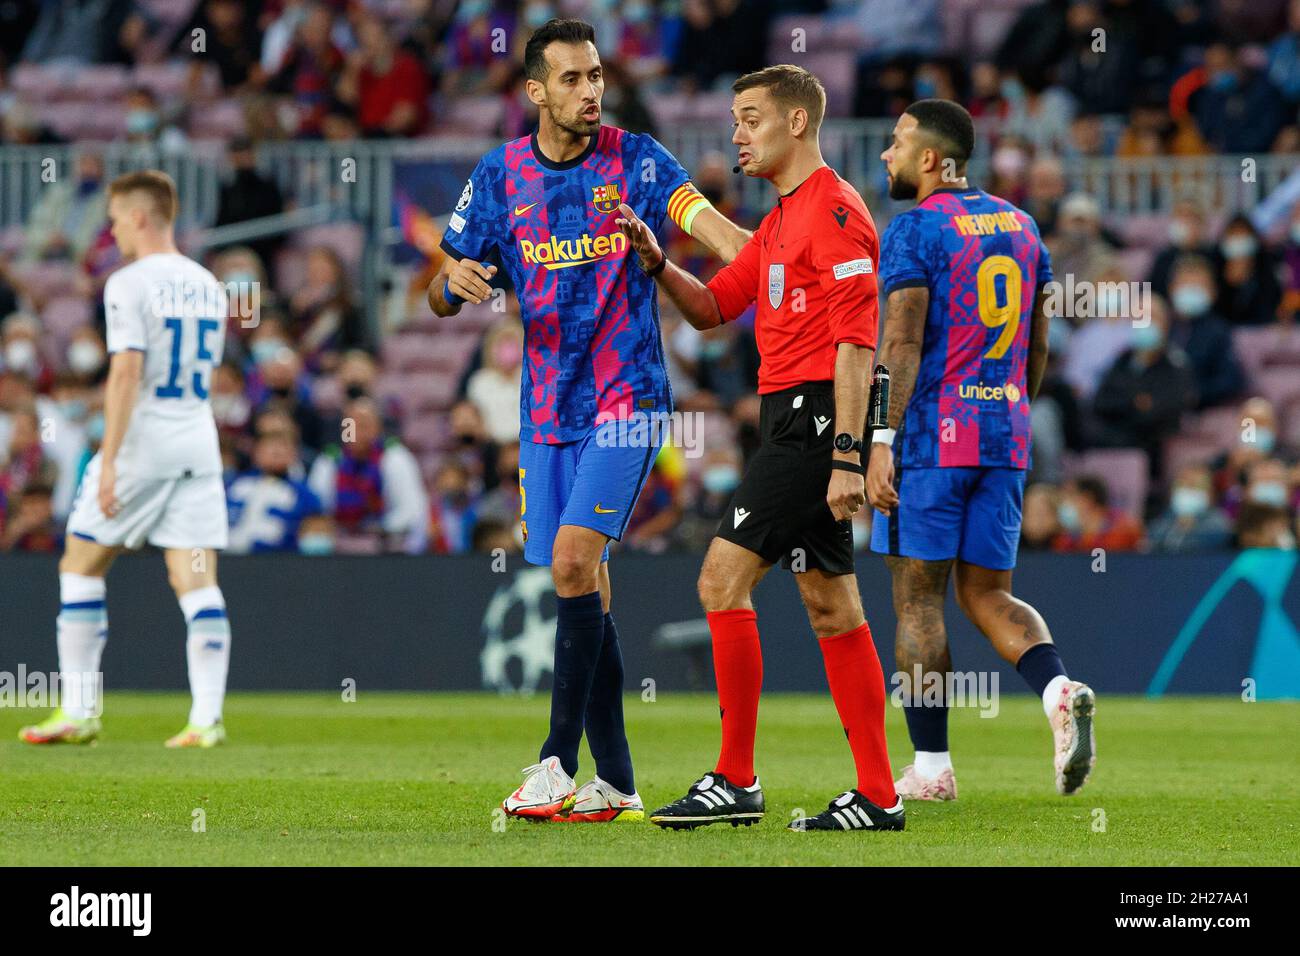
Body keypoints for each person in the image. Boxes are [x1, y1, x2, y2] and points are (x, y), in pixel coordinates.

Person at [428, 18, 749, 825]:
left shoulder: (638, 160)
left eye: (596, 75)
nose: (590, 91)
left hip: (628, 398)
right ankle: (619, 783)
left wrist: (773, 258)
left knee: (574, 561)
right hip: (546, 410)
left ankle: (555, 764)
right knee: (582, 583)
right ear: (536, 90)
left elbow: (712, 229)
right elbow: (441, 286)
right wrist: (451, 284)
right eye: (571, 78)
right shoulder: (501, 174)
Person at [620, 65, 903, 833]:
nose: (737, 134)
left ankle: (736, 779)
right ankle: (878, 795)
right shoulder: (780, 220)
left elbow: (857, 345)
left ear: (797, 122)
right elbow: (715, 306)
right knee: (831, 605)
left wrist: (847, 454)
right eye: (736, 119)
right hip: (790, 420)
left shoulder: (836, 211)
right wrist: (659, 262)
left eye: (751, 118)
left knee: (721, 581)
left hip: (814, 421)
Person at [866, 99, 1097, 802]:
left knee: (918, 601)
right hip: (1004, 434)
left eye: (897, 142)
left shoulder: (913, 229)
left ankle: (931, 768)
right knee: (988, 593)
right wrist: (1007, 414)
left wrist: (880, 438)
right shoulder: (1023, 226)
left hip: (932, 439)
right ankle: (1058, 691)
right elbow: (1037, 346)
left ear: (931, 159)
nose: (887, 154)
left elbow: (900, 342)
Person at [19, 171, 233, 749]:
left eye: (114, 220)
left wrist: (109, 459)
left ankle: (78, 710)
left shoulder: (128, 283)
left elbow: (127, 373)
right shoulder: (209, 284)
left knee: (80, 564)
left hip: (144, 444)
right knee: (195, 578)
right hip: (197, 440)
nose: (111, 231)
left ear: (139, 217)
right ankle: (206, 720)